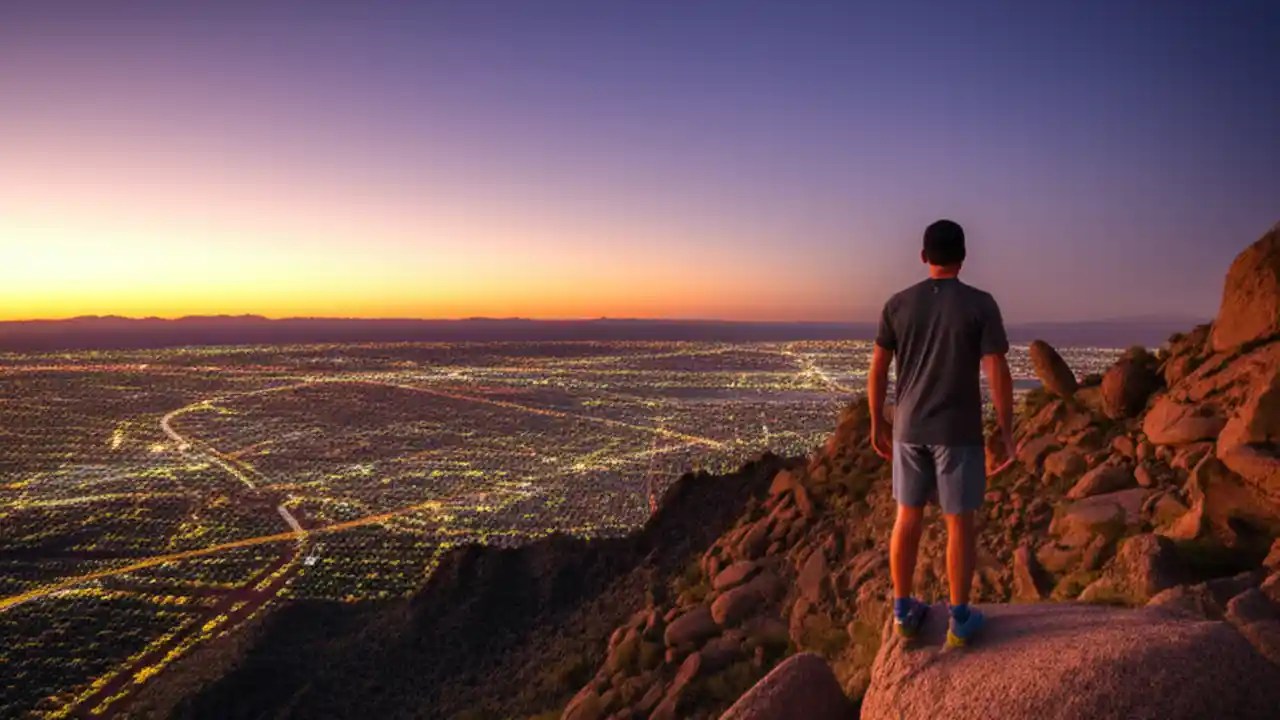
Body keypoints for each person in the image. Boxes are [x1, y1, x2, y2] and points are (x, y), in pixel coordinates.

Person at [867, 219, 1015, 648]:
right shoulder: (980, 304)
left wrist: (878, 421)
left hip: (908, 429)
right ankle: (960, 618)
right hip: (958, 431)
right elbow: (996, 370)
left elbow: (877, 368)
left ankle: (903, 612)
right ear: (963, 256)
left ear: (923, 257)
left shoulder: (898, 304)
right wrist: (1006, 431)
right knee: (958, 523)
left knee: (907, 517)